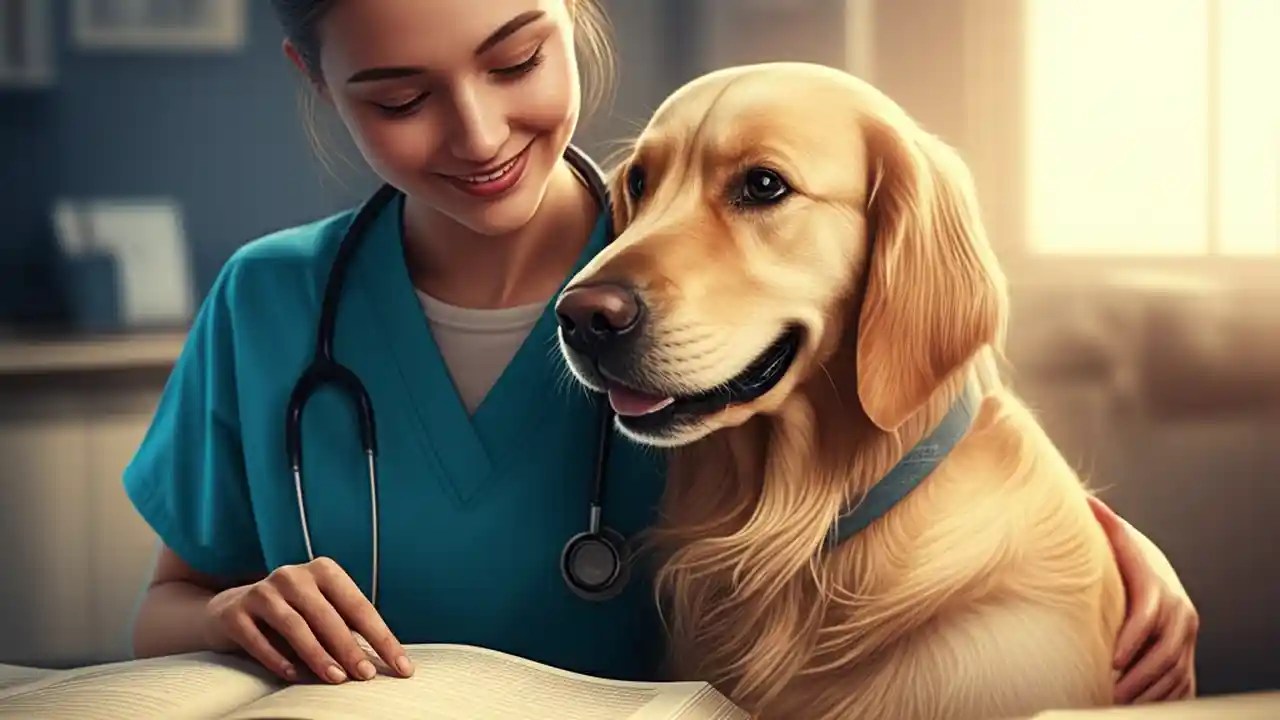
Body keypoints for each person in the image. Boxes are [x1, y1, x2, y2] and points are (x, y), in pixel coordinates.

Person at [123, 0, 1199, 705]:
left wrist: (1101, 554)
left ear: (573, 17)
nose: (479, 134)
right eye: (399, 98)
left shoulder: (691, 281)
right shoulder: (268, 301)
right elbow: (167, 604)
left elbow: (914, 414)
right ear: (317, 82)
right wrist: (226, 611)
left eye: (516, 60)